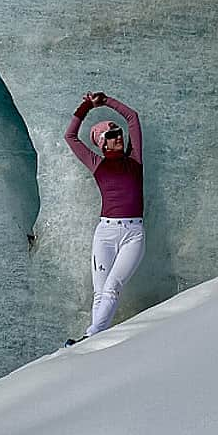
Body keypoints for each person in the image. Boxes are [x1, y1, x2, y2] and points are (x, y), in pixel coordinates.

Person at [63, 91, 145, 344]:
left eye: (118, 133)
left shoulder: (134, 159)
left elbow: (132, 117)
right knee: (100, 292)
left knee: (112, 288)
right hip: (106, 233)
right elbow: (70, 136)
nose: (118, 137)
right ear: (102, 142)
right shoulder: (97, 163)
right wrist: (86, 106)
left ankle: (91, 336)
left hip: (134, 234)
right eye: (111, 135)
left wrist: (105, 101)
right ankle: (93, 338)